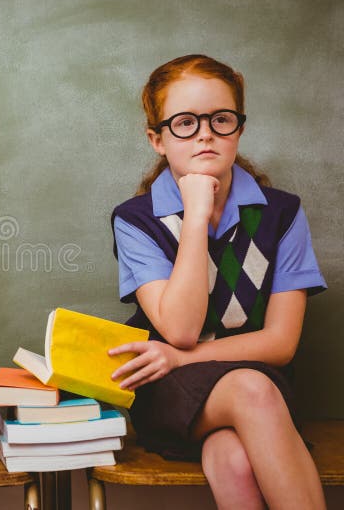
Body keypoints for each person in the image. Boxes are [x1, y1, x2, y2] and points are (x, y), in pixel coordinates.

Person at [108, 55, 327, 509]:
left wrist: (179, 358)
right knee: (250, 392)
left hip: (255, 381)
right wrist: (194, 216)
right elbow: (181, 329)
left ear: (238, 129)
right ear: (157, 139)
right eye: (185, 123)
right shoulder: (135, 220)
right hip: (169, 392)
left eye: (220, 119)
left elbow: (281, 342)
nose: (205, 133)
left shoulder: (281, 213)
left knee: (232, 458)